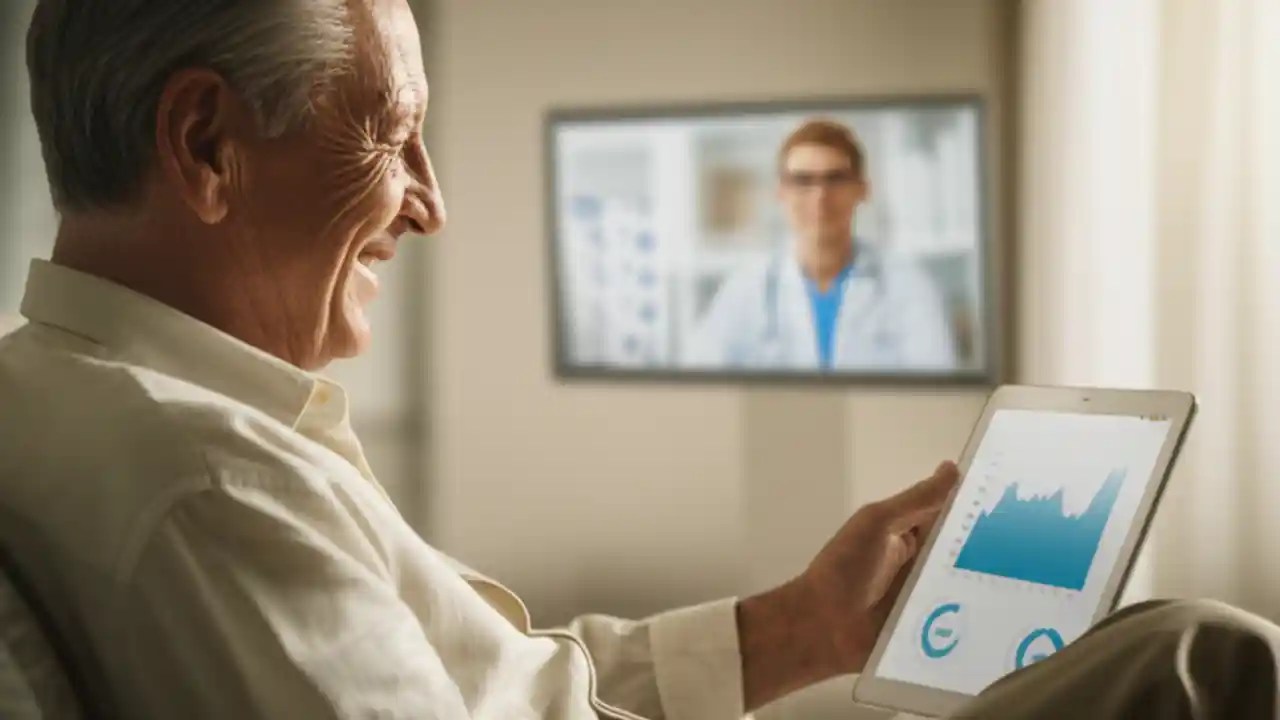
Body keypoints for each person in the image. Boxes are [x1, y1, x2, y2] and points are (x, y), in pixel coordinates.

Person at [0, 2, 1275, 719]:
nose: (429, 204)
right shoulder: (207, 483)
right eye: (391, 136)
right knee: (1200, 656)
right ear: (206, 144)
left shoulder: (63, 398)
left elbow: (488, 693)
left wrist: (794, 628)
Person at [686, 119, 957, 372]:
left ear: (862, 189)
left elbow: (938, 394)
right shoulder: (743, 291)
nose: (820, 197)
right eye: (802, 181)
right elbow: (705, 394)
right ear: (780, 192)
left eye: (835, 179)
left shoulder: (908, 287)